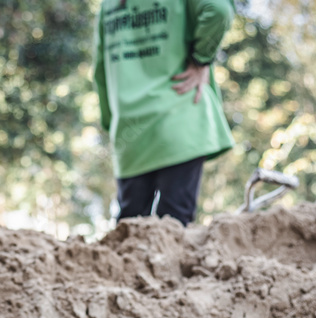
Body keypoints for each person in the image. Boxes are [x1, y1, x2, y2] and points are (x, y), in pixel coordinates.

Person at [93, 0, 236, 225]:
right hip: (180, 119)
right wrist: (201, 60)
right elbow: (219, 10)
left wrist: (113, 124)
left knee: (128, 232)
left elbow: (100, 72)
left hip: (130, 132)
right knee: (173, 227)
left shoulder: (108, 6)